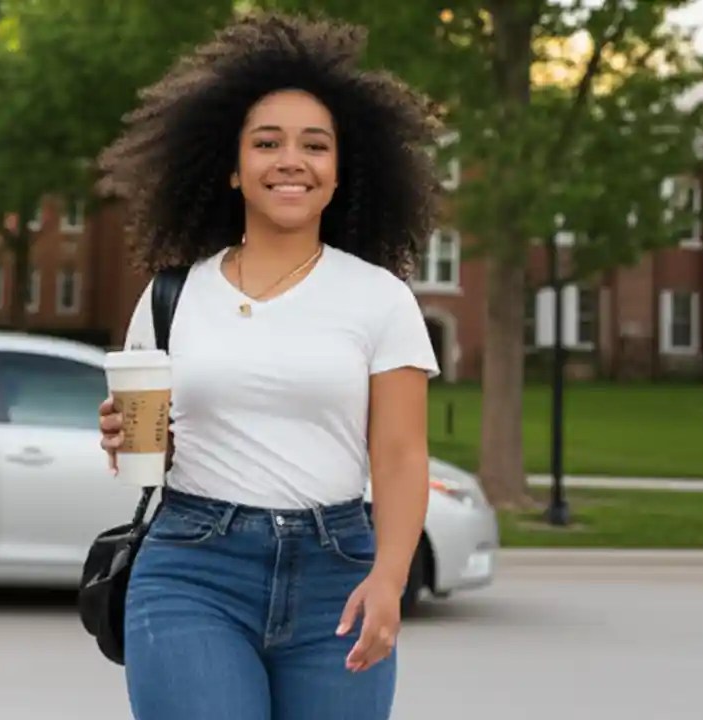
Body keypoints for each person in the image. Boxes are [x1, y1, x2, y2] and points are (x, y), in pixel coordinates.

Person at [95, 12, 442, 720]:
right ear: (231, 166)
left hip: (337, 575)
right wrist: (127, 442)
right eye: (267, 143)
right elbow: (147, 450)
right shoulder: (173, 295)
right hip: (192, 570)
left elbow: (402, 455)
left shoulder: (380, 298)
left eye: (315, 146)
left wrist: (390, 575)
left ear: (341, 170)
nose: (292, 160)